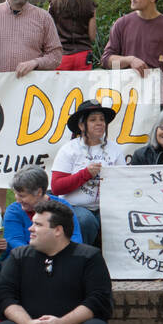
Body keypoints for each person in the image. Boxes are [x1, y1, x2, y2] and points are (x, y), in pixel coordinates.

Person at [50, 99, 126, 246]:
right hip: (75, 207)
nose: (99, 123)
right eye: (93, 120)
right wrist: (85, 174)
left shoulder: (115, 149)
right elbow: (57, 187)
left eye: (102, 119)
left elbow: (124, 182)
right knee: (85, 220)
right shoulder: (69, 149)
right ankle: (81, 259)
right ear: (81, 125)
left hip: (107, 207)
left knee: (120, 220)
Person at [2, 166, 84, 250]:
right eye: (16, 194)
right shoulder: (13, 211)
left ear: (39, 192)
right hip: (26, 259)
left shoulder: (62, 206)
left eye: (22, 196)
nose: (18, 200)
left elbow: (74, 237)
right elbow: (14, 241)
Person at [48, 0, 96, 70]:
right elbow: (92, 36)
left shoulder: (54, 5)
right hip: (83, 55)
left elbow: (48, 32)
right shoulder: (90, 7)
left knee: (60, 86)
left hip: (62, 55)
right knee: (83, 86)